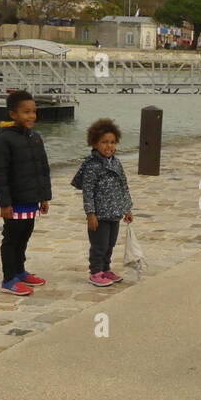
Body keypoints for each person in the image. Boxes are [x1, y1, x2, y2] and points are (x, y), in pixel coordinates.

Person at [0, 90, 51, 296]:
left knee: (25, 235)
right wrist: (4, 203)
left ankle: (20, 271)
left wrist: (44, 197)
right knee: (11, 238)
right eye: (26, 112)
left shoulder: (36, 138)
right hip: (14, 201)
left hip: (31, 200)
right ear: (13, 114)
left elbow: (43, 170)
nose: (32, 116)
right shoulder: (4, 140)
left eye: (34, 111)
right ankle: (9, 279)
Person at [71, 118, 134, 287]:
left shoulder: (117, 163)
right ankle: (95, 272)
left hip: (115, 213)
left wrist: (127, 208)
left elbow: (124, 186)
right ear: (95, 143)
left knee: (110, 244)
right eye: (104, 142)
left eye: (112, 142)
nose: (109, 146)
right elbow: (88, 192)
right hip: (99, 215)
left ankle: (106, 269)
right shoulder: (92, 166)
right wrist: (90, 214)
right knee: (99, 245)